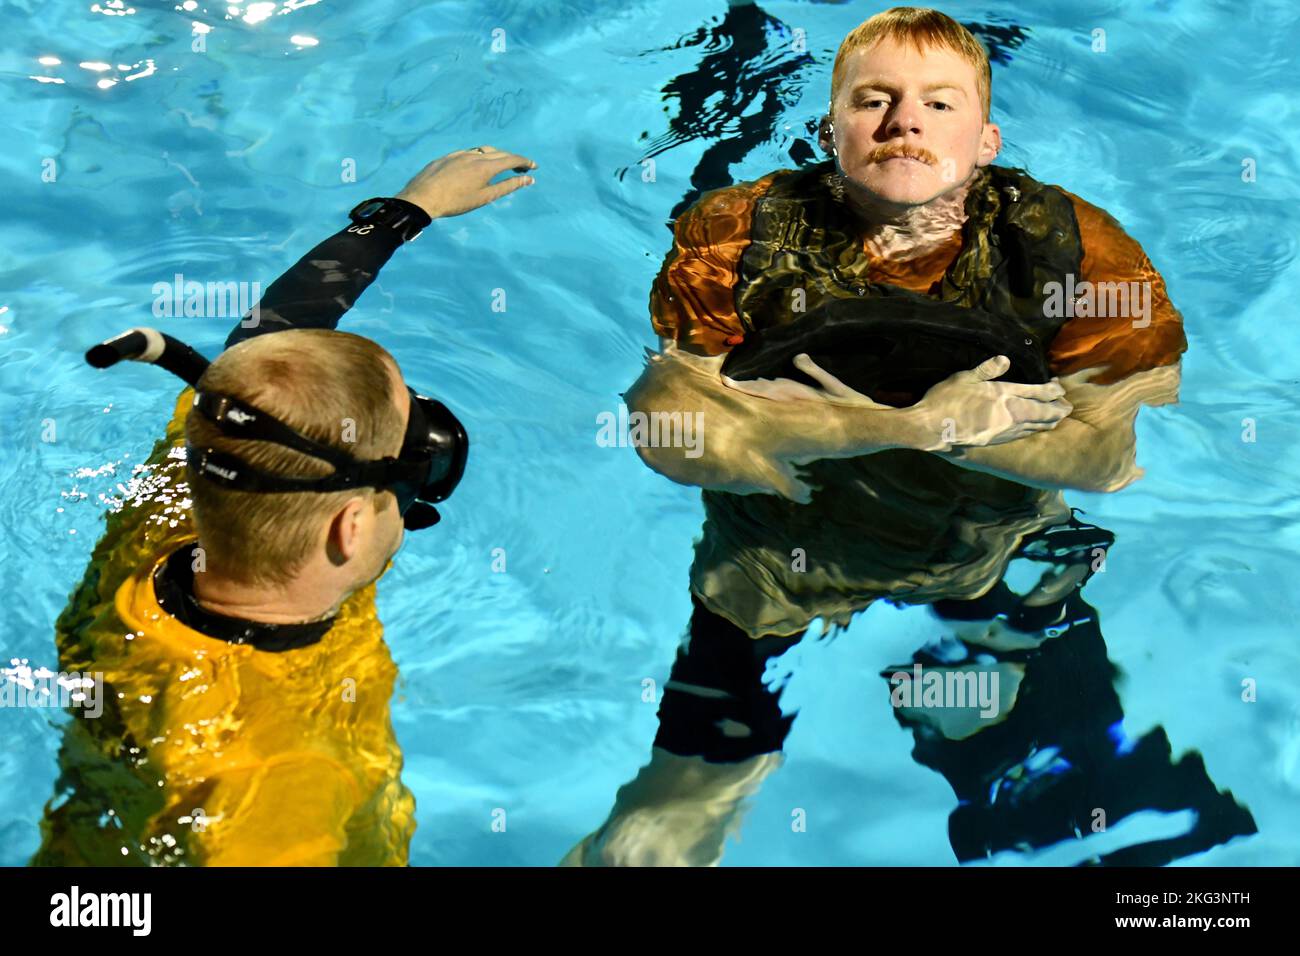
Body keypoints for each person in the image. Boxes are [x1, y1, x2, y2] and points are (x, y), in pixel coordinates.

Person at [562, 7, 1208, 866]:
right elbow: (667, 432)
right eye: (875, 100)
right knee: (652, 835)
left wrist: (948, 439)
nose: (906, 122)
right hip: (774, 559)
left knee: (1076, 799)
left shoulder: (1078, 253)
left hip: (990, 542)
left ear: (987, 142)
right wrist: (911, 424)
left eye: (939, 104)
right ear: (830, 133)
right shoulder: (738, 231)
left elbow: (1106, 460)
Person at [31, 147, 536, 867]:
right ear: (348, 528)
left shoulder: (209, 470)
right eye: (409, 466)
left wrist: (405, 213)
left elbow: (268, 345)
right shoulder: (282, 769)